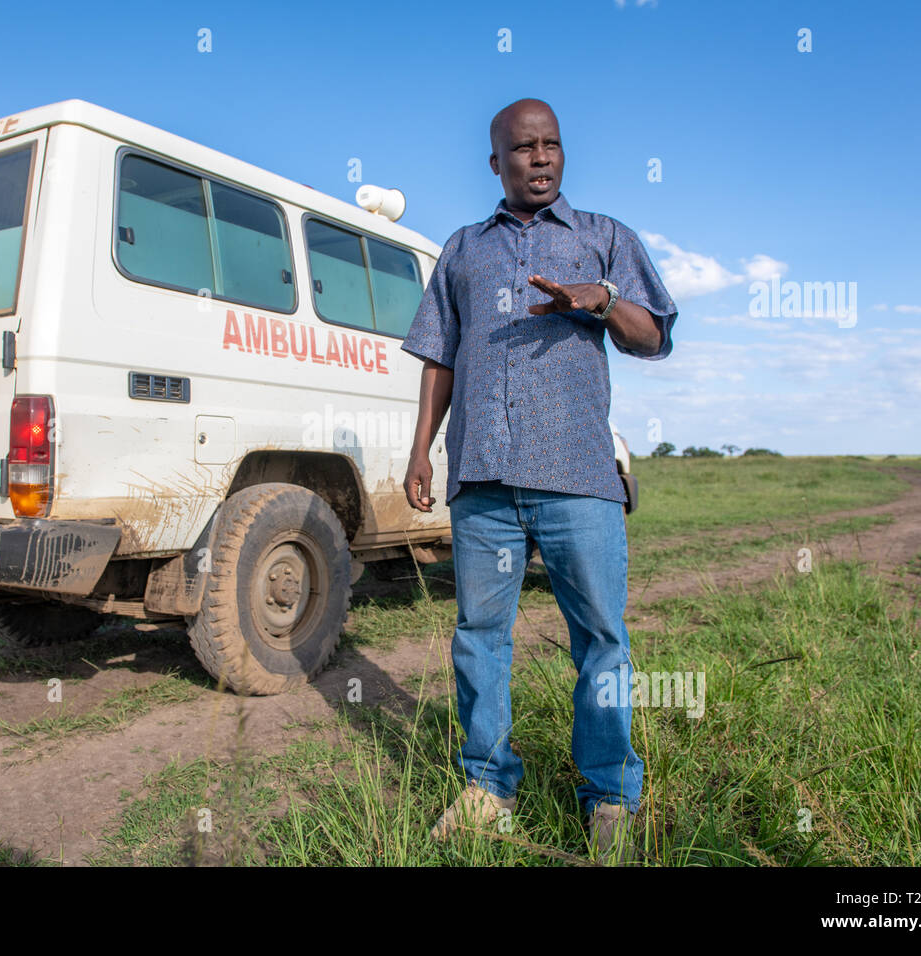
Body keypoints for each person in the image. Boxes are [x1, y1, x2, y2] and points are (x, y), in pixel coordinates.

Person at [400, 97, 678, 863]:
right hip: (483, 480)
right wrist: (422, 450)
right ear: (497, 161)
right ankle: (488, 789)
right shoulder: (462, 250)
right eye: (524, 148)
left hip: (577, 478)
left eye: (552, 144)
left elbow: (654, 339)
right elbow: (440, 356)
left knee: (600, 640)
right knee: (479, 639)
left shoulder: (604, 239)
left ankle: (610, 796)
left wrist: (605, 300)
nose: (541, 158)